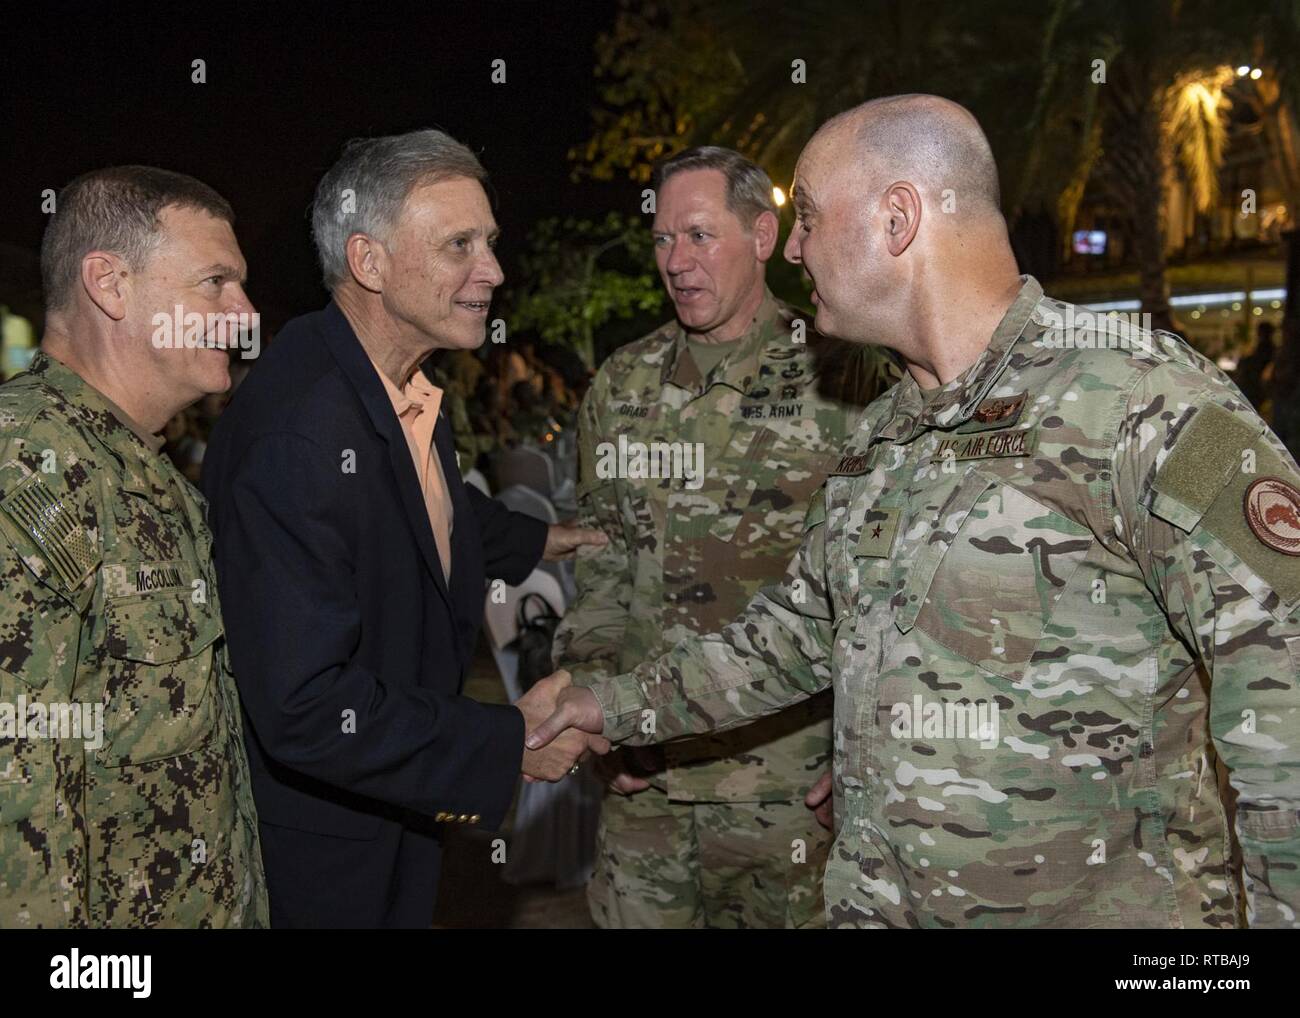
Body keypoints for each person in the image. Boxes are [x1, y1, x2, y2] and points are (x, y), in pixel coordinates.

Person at [529, 95, 1300, 928]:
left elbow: (1286, 684)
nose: (792, 248)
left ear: (897, 220)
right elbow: (788, 637)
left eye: (811, 220)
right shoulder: (881, 438)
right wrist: (609, 704)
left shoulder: (1150, 399)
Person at [202, 129, 608, 929]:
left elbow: (426, 510)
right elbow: (307, 705)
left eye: (489, 242)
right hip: (325, 852)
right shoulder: (302, 430)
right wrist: (503, 743)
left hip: (390, 810)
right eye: (460, 244)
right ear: (370, 261)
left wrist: (545, 539)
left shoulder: (399, 387)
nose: (492, 271)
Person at [552, 146, 893, 928]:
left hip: (788, 792)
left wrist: (865, 748)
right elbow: (602, 558)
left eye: (699, 236)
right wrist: (586, 693)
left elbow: (883, 586)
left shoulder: (847, 377)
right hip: (644, 780)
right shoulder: (622, 384)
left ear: (764, 236)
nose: (677, 261)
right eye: (664, 240)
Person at [0, 166, 267, 926]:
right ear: (110, 285)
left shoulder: (148, 473)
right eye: (215, 282)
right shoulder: (26, 466)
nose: (244, 312)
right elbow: (16, 815)